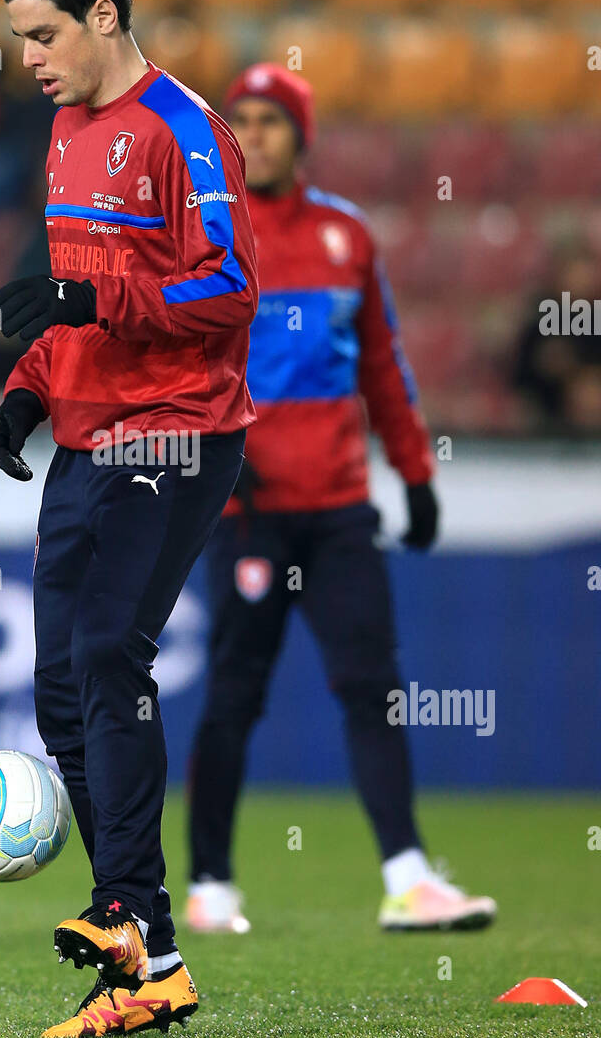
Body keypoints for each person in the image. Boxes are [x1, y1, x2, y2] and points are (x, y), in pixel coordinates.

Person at [0, 0, 258, 1037]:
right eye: (17, 39)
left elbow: (230, 288)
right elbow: (75, 302)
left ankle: (121, 907)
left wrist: (92, 304)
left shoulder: (186, 130)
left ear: (103, 14)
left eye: (44, 34)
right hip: (88, 437)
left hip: (179, 430)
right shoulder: (64, 134)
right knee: (61, 692)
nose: (30, 58)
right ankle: (150, 963)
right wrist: (29, 388)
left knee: (108, 650)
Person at [186, 63, 497, 935]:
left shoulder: (345, 237)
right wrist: (214, 453)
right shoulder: (208, 237)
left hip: (338, 511)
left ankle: (407, 877)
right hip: (247, 507)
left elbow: (383, 366)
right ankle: (209, 886)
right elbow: (174, 362)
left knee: (372, 688)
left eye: (271, 119)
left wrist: (418, 474)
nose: (254, 134)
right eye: (240, 119)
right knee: (236, 693)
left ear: (302, 135)